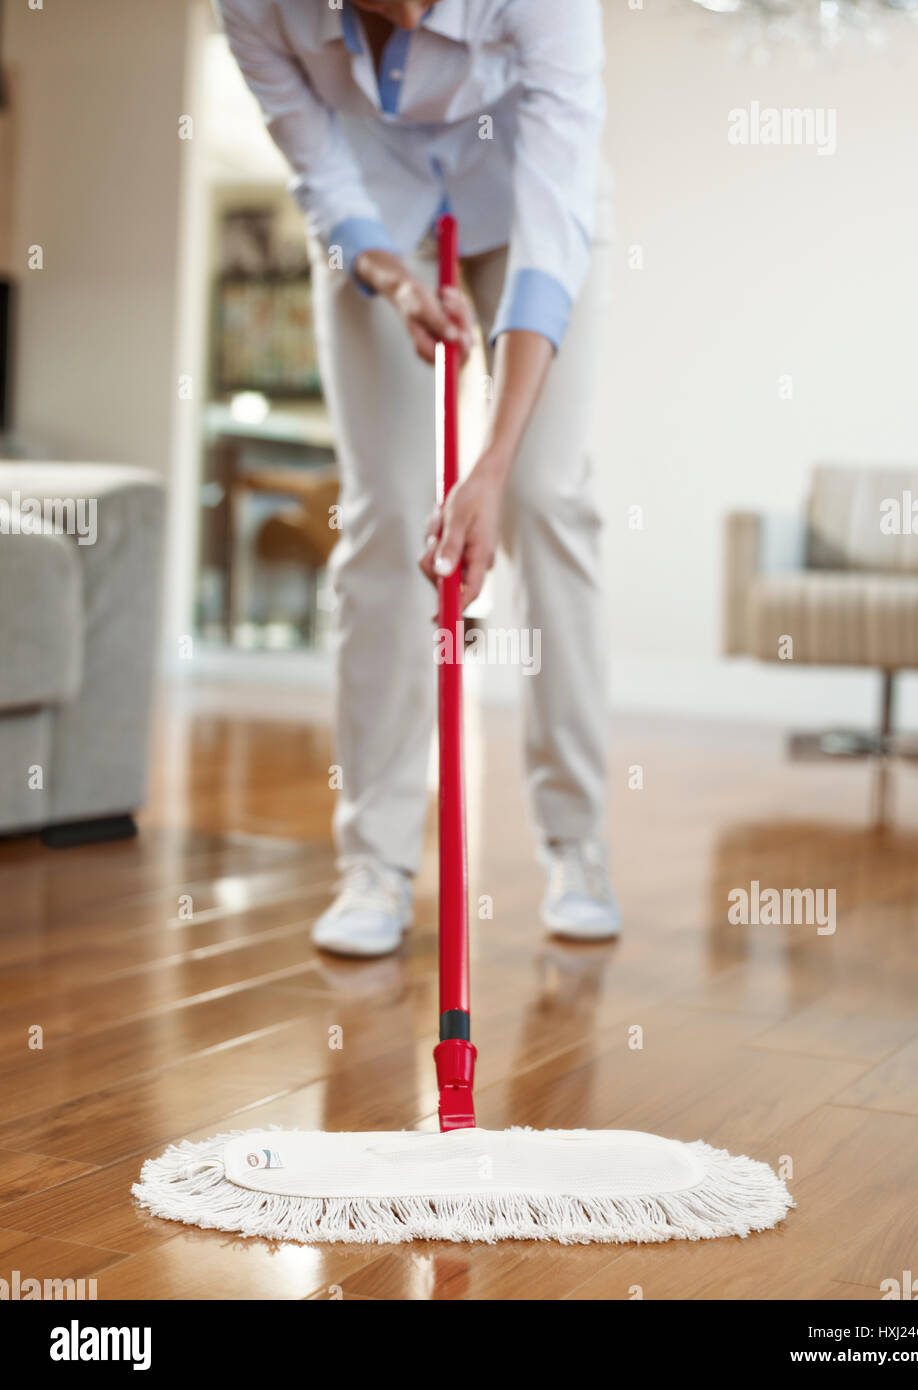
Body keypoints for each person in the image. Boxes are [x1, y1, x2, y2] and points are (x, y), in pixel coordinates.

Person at [214, 0, 621, 954]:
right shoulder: (255, 6)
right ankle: (377, 861)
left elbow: (554, 222)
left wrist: (491, 462)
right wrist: (392, 280)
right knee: (388, 515)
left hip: (531, 208)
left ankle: (576, 840)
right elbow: (315, 162)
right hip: (379, 217)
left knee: (543, 494)